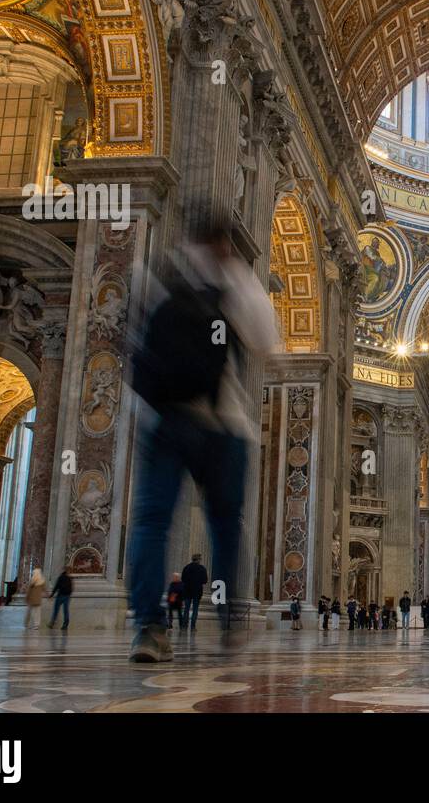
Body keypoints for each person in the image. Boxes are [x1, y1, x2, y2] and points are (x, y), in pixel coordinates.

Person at [125, 216, 278, 663]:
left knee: (151, 522)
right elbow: (268, 343)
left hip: (162, 420)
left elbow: (130, 345)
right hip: (222, 423)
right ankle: (230, 618)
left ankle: (150, 627)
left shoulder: (154, 273)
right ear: (225, 243)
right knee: (227, 526)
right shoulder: (233, 281)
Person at [179, 554, 208, 632]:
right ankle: (193, 627)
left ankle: (184, 626)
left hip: (187, 591)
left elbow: (183, 579)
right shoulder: (202, 569)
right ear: (198, 559)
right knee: (195, 609)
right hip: (197, 592)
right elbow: (205, 581)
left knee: (186, 609)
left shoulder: (187, 567)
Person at [48, 567, 73, 631]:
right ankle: (62, 624)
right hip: (64, 596)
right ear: (67, 571)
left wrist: (52, 595)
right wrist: (69, 594)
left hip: (62, 596)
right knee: (63, 611)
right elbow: (57, 586)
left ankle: (54, 623)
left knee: (58, 610)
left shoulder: (64, 577)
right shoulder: (66, 578)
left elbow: (56, 586)